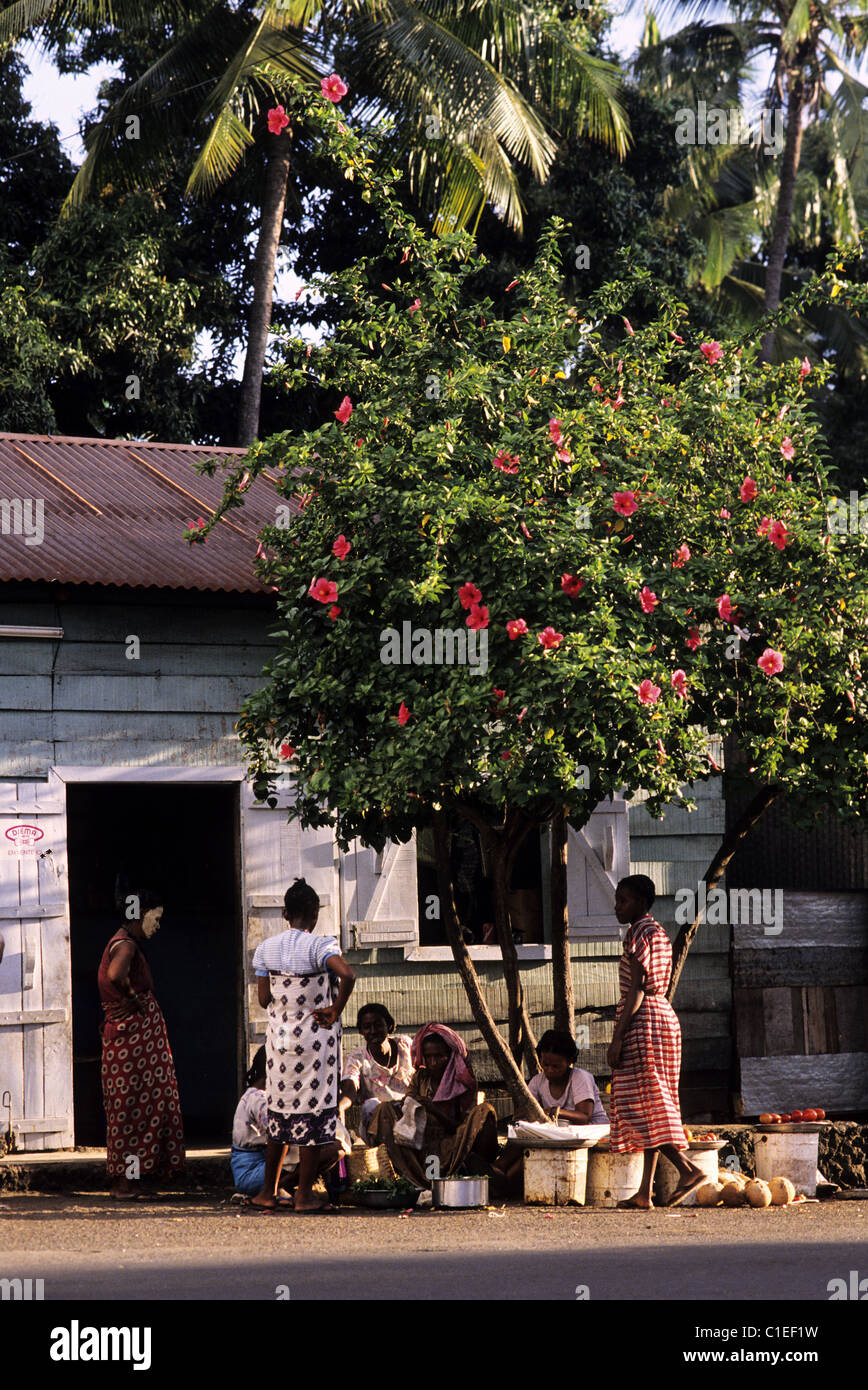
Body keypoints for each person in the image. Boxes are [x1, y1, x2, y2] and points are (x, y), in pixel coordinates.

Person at [251, 877, 355, 1213]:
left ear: (284, 912)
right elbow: (349, 975)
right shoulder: (320, 946)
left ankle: (268, 1191)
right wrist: (335, 1009)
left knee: (280, 1116)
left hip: (279, 1047)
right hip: (314, 1046)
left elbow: (265, 999)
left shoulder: (265, 949)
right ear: (314, 913)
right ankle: (304, 1196)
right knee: (311, 1118)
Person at [607, 874, 706, 1209]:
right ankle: (643, 1193)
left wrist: (618, 1037)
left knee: (641, 1104)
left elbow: (636, 989)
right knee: (652, 1102)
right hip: (662, 1017)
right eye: (618, 899)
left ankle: (686, 1168)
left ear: (642, 903)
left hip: (644, 1019)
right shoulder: (657, 931)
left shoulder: (639, 932)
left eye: (624, 900)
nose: (618, 906)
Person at [97, 890, 185, 1199]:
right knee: (138, 1111)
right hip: (134, 1045)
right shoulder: (126, 946)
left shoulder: (119, 942)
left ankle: (129, 1181)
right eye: (155, 918)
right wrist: (134, 999)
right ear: (139, 914)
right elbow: (116, 974)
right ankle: (127, 1184)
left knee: (131, 1110)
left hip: (130, 1043)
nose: (158, 926)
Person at [367, 1023, 498, 1188]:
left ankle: (474, 1172)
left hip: (452, 1145)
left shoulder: (462, 1082)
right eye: (428, 1057)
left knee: (485, 1111)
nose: (433, 1062)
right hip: (420, 1143)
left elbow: (462, 1128)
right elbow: (407, 1105)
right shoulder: (421, 1077)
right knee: (383, 1109)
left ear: (450, 1056)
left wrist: (434, 1110)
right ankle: (404, 1175)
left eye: (439, 1056)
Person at [494, 1030, 608, 1188]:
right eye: (545, 1065)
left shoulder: (580, 1077)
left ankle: (505, 1182)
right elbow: (522, 1112)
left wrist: (553, 1111)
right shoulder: (538, 1081)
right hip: (557, 1134)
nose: (549, 1070)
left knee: (538, 1147)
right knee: (526, 1136)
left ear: (569, 1061)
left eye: (556, 1066)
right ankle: (497, 1169)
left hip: (588, 1133)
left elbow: (584, 1116)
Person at [230, 1046, 298, 1202]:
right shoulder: (258, 1099)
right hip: (251, 1174)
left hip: (257, 1168)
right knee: (324, 1152)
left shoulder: (265, 1095)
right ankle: (273, 1189)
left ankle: (277, 1188)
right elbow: (282, 1132)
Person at [338, 1003, 414, 1142]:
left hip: (409, 1115)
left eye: (378, 1025)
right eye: (367, 1027)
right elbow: (350, 1088)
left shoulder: (405, 1045)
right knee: (371, 1106)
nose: (373, 1031)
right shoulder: (357, 1057)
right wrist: (341, 1106)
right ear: (361, 1031)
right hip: (377, 1123)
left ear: (389, 1026)